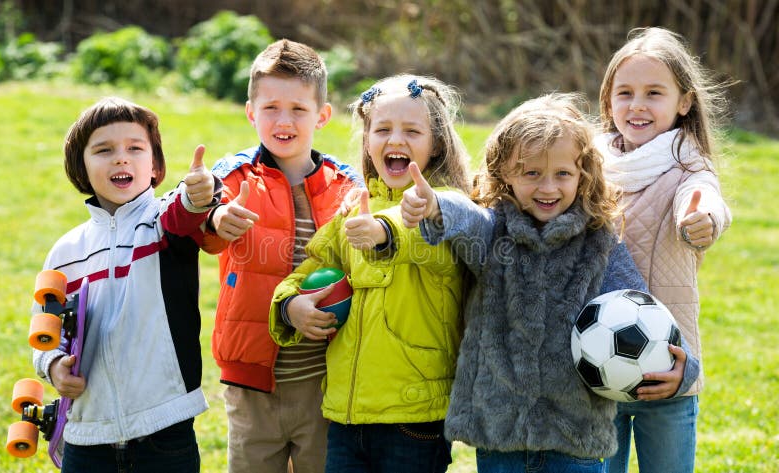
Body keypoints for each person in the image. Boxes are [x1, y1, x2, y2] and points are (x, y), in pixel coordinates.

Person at [400, 93, 699, 473]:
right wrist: (436, 206)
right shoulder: (495, 235)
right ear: (504, 174)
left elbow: (642, 310)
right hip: (499, 437)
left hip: (575, 439)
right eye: (531, 174)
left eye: (562, 174)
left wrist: (684, 365)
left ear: (583, 175)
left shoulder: (599, 244)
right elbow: (465, 218)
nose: (547, 188)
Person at [268, 74, 472, 473]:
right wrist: (290, 304)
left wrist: (384, 230)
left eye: (412, 130)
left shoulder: (448, 205)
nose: (395, 139)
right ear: (367, 141)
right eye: (382, 129)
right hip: (346, 416)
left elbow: (427, 238)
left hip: (413, 419)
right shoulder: (353, 208)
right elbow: (314, 264)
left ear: (438, 143)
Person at [200, 39, 363, 473]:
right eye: (270, 107)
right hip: (252, 382)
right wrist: (213, 217)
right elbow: (201, 221)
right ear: (251, 113)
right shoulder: (234, 177)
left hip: (324, 381)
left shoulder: (345, 188)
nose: (283, 120)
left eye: (298, 109)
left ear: (322, 116)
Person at [32, 96, 220, 472]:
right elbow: (42, 332)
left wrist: (202, 191)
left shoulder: (163, 222)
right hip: (86, 435)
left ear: (154, 167)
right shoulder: (65, 252)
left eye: (135, 148)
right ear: (81, 168)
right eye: (104, 150)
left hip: (165, 429)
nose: (121, 158)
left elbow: (188, 207)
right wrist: (53, 366)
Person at [595, 27, 732, 473]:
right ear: (608, 100)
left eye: (654, 93)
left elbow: (706, 200)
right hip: (596, 370)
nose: (637, 105)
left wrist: (702, 220)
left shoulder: (689, 166)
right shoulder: (588, 166)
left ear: (684, 102)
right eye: (625, 93)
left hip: (669, 369)